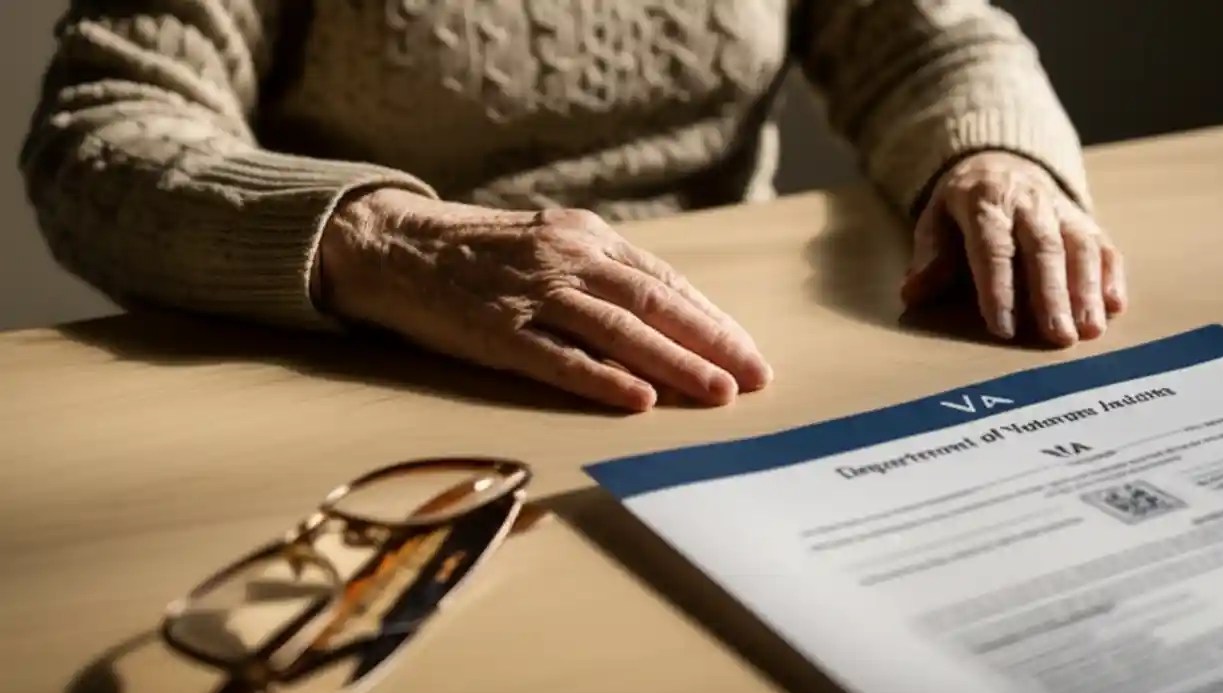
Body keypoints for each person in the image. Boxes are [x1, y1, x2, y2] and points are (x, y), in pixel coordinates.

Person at [20, 0, 1127, 412]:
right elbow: (103, 134)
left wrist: (992, 160)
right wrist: (390, 239)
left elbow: (925, 39)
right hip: (382, 380)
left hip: (743, 359)